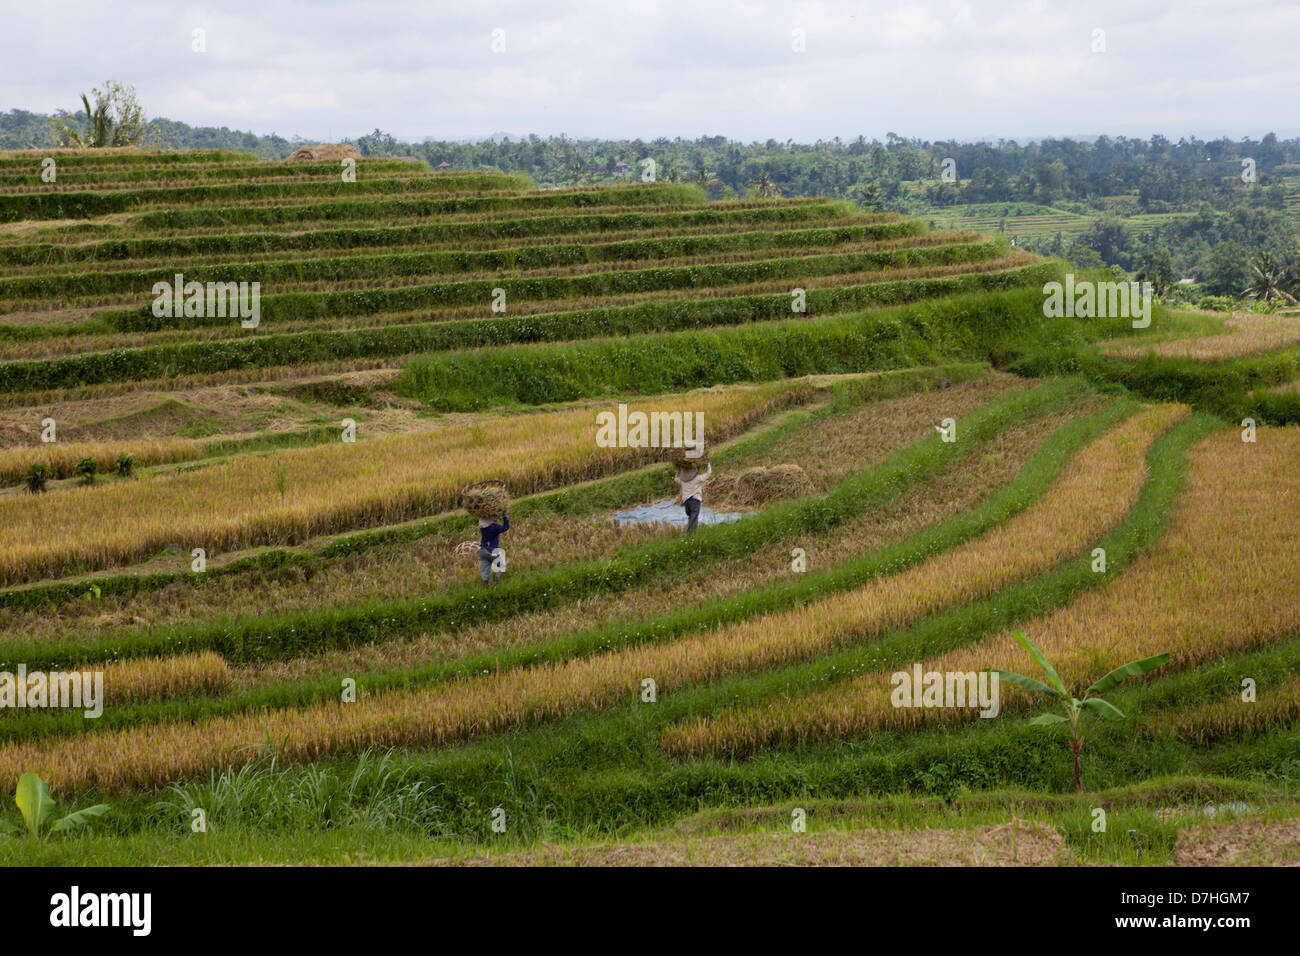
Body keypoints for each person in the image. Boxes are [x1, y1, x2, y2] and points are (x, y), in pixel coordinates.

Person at [673, 461, 711, 533]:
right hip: (695, 500)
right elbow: (708, 474)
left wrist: (678, 470)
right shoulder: (697, 479)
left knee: (691, 517)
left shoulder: (682, 481)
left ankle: (691, 533)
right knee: (694, 518)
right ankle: (690, 535)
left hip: (686, 502)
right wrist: (708, 463)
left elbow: (676, 478)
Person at [477, 512, 509, 586]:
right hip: (493, 551)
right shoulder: (494, 527)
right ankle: (494, 585)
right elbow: (505, 527)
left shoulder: (482, 527)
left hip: (482, 551)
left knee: (485, 572)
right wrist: (504, 517)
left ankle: (485, 589)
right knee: (501, 565)